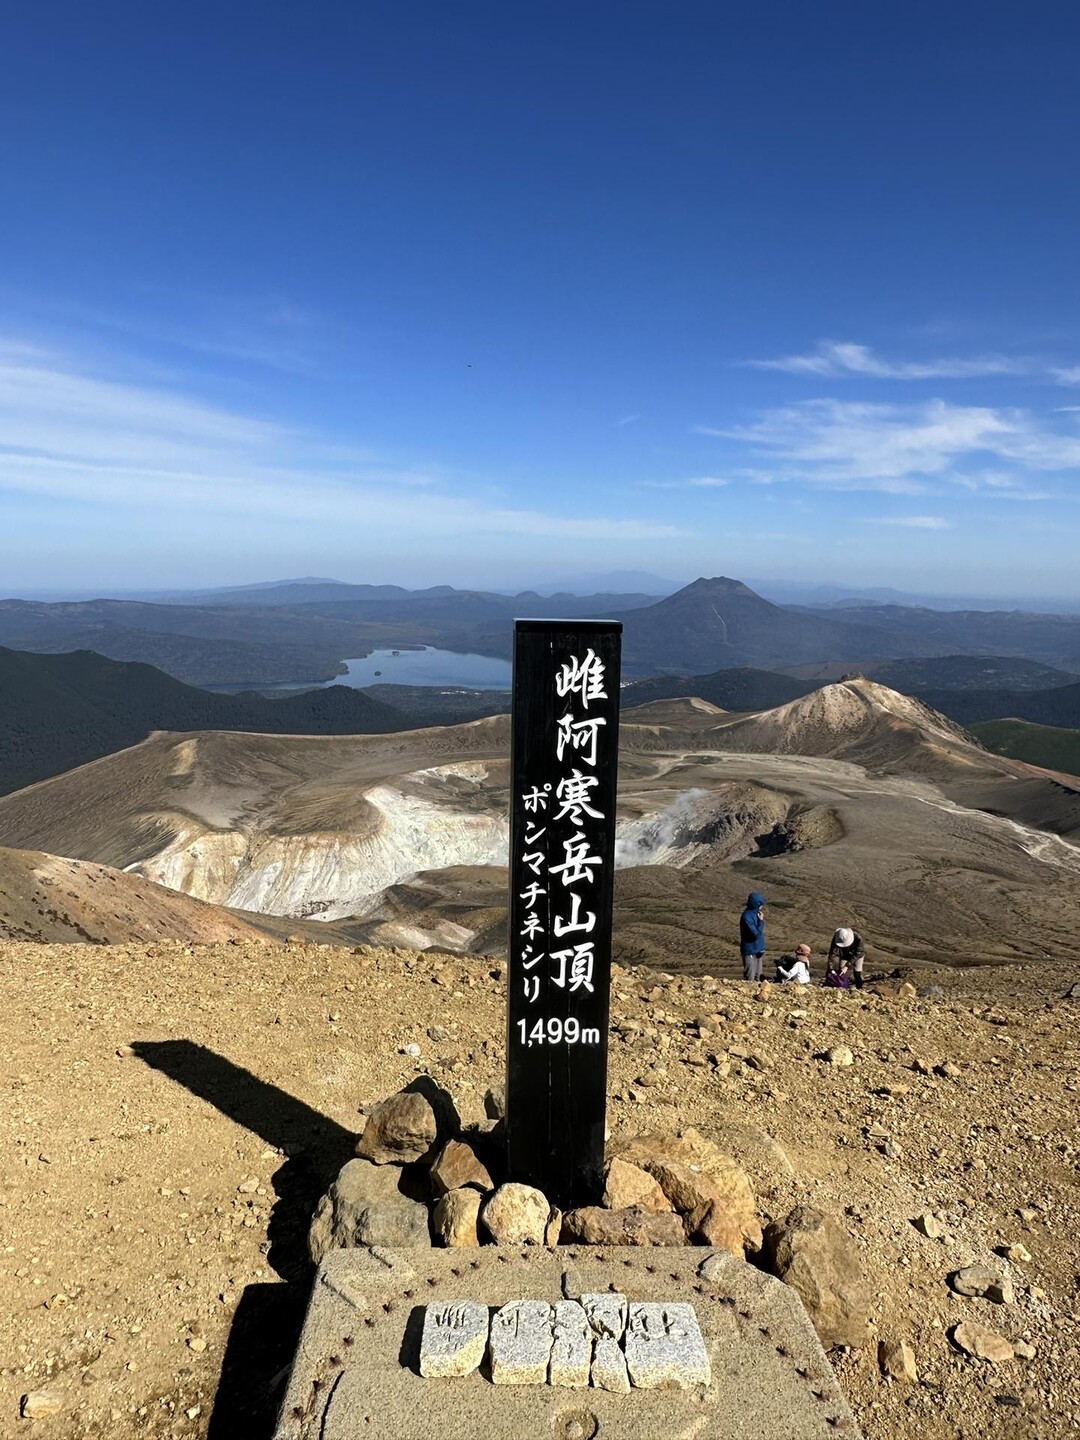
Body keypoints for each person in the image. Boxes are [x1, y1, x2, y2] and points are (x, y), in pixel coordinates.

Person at [739, 892, 767, 981]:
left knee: (758, 976)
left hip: (757, 949)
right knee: (750, 976)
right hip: (750, 950)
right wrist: (761, 922)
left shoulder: (755, 914)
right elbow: (755, 934)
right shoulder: (746, 917)